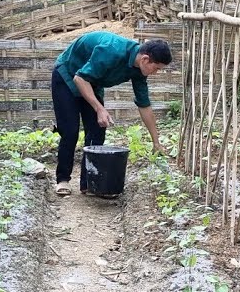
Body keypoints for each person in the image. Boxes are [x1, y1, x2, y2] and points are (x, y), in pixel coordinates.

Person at [50, 31, 171, 196]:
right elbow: (79, 79)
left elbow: (144, 105)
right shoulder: (111, 51)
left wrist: (156, 142)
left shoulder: (138, 71)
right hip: (67, 75)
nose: (156, 73)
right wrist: (99, 108)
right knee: (70, 130)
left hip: (91, 82)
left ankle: (89, 184)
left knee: (97, 129)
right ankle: (63, 179)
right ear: (145, 59)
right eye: (156, 68)